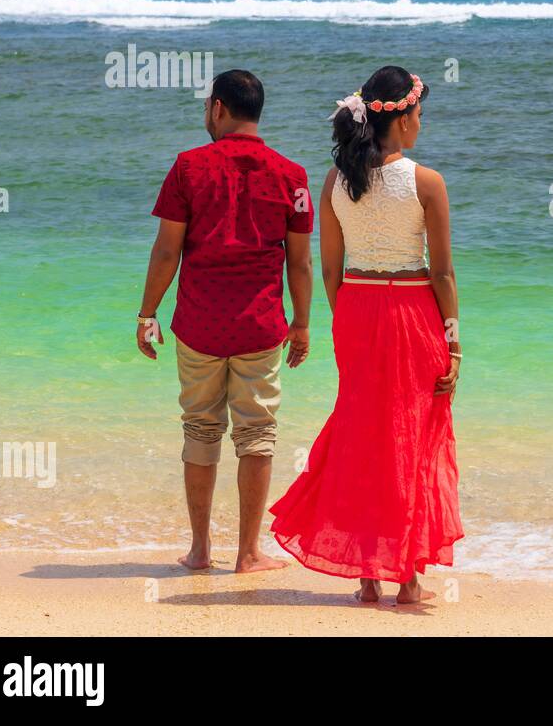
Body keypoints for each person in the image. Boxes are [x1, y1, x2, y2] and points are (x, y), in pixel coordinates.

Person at [269, 65, 463, 605]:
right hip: (412, 310)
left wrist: (346, 318)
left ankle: (367, 576)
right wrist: (454, 342)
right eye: (418, 116)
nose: (420, 126)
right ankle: (408, 577)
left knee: (365, 432)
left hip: (355, 309)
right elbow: (443, 273)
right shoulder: (427, 182)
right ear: (400, 121)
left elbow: (328, 268)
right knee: (412, 434)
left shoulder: (336, 180)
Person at [136, 69, 314, 573]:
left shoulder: (188, 167)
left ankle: (199, 551)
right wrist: (301, 324)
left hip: (199, 324)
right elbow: (298, 262)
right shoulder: (292, 174)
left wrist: (148, 313)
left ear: (217, 108)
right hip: (260, 325)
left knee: (200, 429)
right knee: (257, 433)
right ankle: (248, 553)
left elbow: (168, 249)